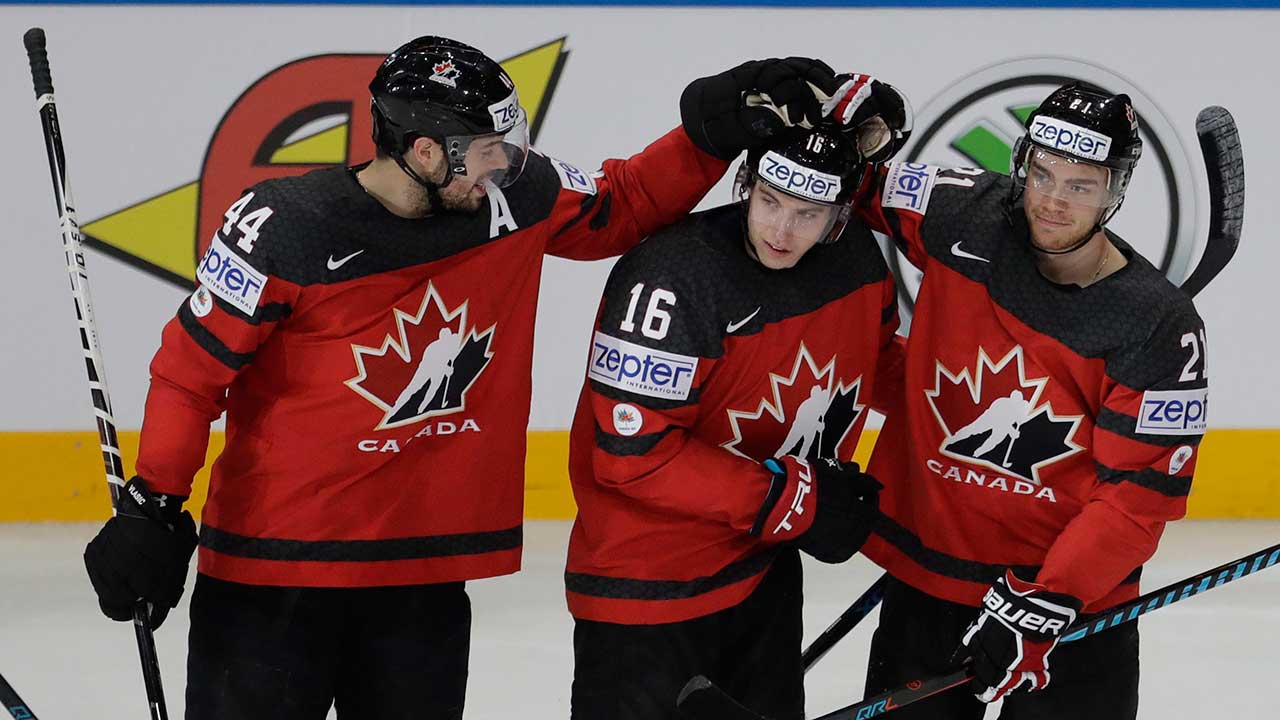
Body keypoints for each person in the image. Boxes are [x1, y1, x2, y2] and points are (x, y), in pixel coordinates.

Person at [81, 35, 843, 720]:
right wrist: (156, 502)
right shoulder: (284, 227)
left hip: (422, 585)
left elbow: (624, 203)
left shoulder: (513, 199)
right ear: (423, 151)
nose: (502, 164)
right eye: (485, 150)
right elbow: (189, 373)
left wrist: (710, 129)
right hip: (273, 582)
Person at [844, 80, 1209, 718]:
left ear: (1116, 190)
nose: (1054, 201)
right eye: (1043, 175)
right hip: (932, 580)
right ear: (1021, 164)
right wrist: (845, 129)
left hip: (1073, 612)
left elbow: (1135, 501)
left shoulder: (1158, 324)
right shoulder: (962, 213)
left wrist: (1050, 598)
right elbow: (842, 184)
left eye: (1081, 186)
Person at [564, 114, 900, 720]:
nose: (781, 230)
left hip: (763, 566)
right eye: (769, 202)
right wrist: (790, 499)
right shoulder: (673, 277)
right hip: (648, 587)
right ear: (746, 183)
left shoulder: (855, 261)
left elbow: (878, 364)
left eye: (808, 213)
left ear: (840, 215)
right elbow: (633, 454)